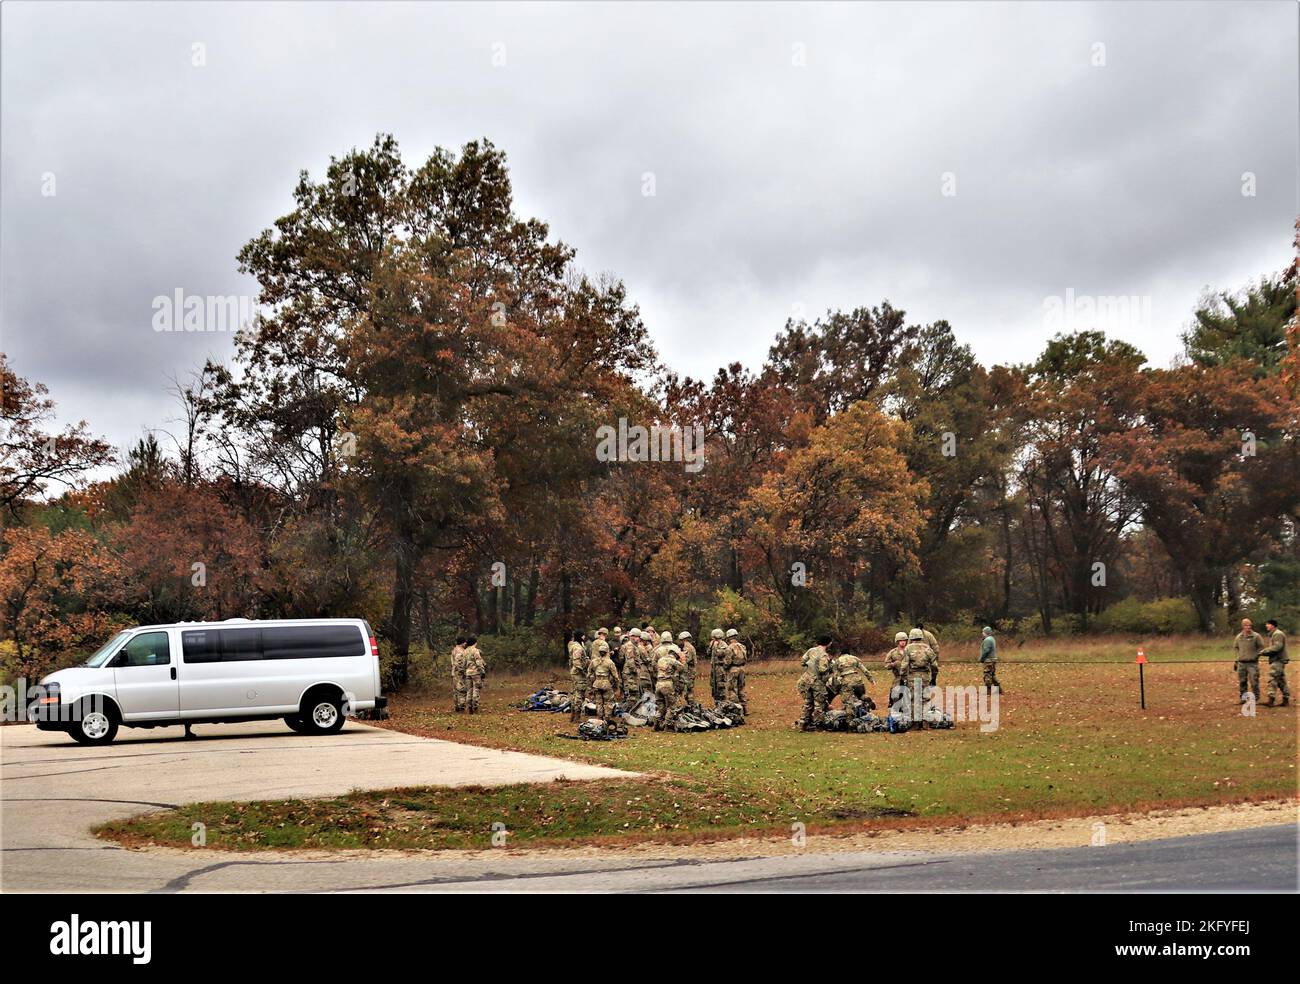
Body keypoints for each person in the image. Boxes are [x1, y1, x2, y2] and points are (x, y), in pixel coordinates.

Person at [798, 635, 834, 730]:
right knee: (819, 704)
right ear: (829, 643)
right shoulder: (824, 655)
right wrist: (830, 666)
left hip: (806, 679)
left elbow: (803, 662)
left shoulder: (811, 650)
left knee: (808, 702)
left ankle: (803, 724)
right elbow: (822, 670)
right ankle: (818, 725)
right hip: (817, 682)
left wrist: (811, 667)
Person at [901, 628, 936, 723]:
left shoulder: (908, 648)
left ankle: (915, 721)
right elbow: (934, 665)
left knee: (913, 698)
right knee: (926, 698)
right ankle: (925, 720)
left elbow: (904, 665)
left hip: (912, 677)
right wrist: (933, 677)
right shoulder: (927, 648)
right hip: (925, 676)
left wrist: (902, 677)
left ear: (911, 637)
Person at [653, 632, 683, 730]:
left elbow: (653, 665)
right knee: (672, 705)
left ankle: (656, 724)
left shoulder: (660, 658)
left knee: (660, 706)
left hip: (658, 684)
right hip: (667, 684)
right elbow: (682, 668)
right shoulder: (673, 660)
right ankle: (667, 724)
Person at [1232, 618, 1266, 705]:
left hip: (1252, 663)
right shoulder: (1239, 637)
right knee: (1242, 682)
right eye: (1246, 625)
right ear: (1242, 626)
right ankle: (1243, 698)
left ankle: (1256, 698)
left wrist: (1256, 655)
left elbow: (1261, 647)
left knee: (1254, 682)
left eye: (1250, 625)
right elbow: (1235, 647)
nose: (1248, 627)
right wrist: (1237, 657)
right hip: (1241, 663)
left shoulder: (1256, 636)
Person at [832, 646, 873, 715]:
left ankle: (850, 720)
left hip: (847, 683)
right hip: (858, 681)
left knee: (848, 702)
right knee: (860, 697)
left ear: (841, 653)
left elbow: (835, 676)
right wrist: (871, 679)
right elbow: (864, 670)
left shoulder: (838, 660)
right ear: (849, 653)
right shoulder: (855, 659)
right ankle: (865, 707)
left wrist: (835, 688)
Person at [588, 641, 621, 721]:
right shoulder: (610, 662)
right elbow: (615, 676)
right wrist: (617, 687)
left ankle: (599, 718)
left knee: (599, 702)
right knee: (608, 702)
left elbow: (589, 674)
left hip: (596, 684)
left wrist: (590, 685)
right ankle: (607, 718)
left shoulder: (594, 662)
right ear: (607, 652)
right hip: (606, 684)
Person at [1261, 618, 1290, 707]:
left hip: (1278, 660)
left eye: (1267, 624)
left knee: (1272, 678)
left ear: (1272, 625)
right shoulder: (1274, 634)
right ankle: (1286, 699)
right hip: (1278, 659)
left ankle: (1271, 700)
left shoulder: (1277, 634)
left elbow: (1277, 647)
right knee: (1281, 681)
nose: (1266, 626)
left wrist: (1263, 652)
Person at [567, 630, 590, 722]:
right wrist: (584, 671)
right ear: (580, 636)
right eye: (583, 636)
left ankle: (573, 717)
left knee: (575, 693)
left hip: (575, 673)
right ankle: (576, 717)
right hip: (578, 674)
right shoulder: (578, 647)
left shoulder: (575, 645)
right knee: (580, 694)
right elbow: (577, 662)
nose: (584, 637)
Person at [724, 628, 748, 712]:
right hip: (742, 668)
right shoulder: (742, 646)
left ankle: (736, 709)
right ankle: (744, 708)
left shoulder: (729, 648)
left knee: (732, 689)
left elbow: (728, 661)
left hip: (733, 669)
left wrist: (725, 668)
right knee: (741, 688)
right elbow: (746, 658)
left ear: (728, 637)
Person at [462, 636, 485, 714]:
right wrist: (482, 671)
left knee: (469, 690)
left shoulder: (465, 651)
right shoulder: (475, 651)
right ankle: (475, 706)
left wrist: (465, 671)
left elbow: (463, 664)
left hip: (468, 673)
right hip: (476, 673)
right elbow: (478, 662)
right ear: (475, 642)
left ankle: (469, 707)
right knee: (476, 689)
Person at [884, 631, 908, 707]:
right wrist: (894, 664)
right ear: (897, 641)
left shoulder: (909, 650)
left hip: (909, 676)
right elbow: (886, 665)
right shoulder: (892, 652)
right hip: (898, 676)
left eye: (904, 640)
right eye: (901, 640)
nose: (903, 642)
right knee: (895, 692)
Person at [979, 626, 1003, 694]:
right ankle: (998, 689)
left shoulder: (987, 640)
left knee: (987, 675)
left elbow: (986, 651)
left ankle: (988, 690)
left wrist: (982, 658)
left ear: (986, 632)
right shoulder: (992, 639)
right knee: (992, 675)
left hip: (988, 660)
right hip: (993, 659)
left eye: (983, 632)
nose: (982, 633)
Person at [707, 629, 729, 703]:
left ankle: (722, 702)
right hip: (714, 667)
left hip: (720, 667)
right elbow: (708, 653)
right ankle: (716, 702)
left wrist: (715, 646)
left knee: (720, 685)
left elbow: (720, 654)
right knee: (714, 685)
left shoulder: (724, 644)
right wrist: (711, 646)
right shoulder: (713, 644)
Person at [677, 631, 697, 704]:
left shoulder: (687, 648)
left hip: (689, 672)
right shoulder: (690, 646)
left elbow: (686, 660)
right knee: (688, 690)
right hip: (690, 671)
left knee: (689, 691)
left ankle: (691, 706)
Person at [450, 635, 468, 712]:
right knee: (462, 690)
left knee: (455, 691)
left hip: (454, 673)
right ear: (462, 643)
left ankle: (456, 706)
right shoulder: (460, 651)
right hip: (459, 674)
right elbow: (459, 663)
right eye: (464, 642)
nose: (465, 644)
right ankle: (461, 707)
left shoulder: (454, 650)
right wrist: (463, 672)